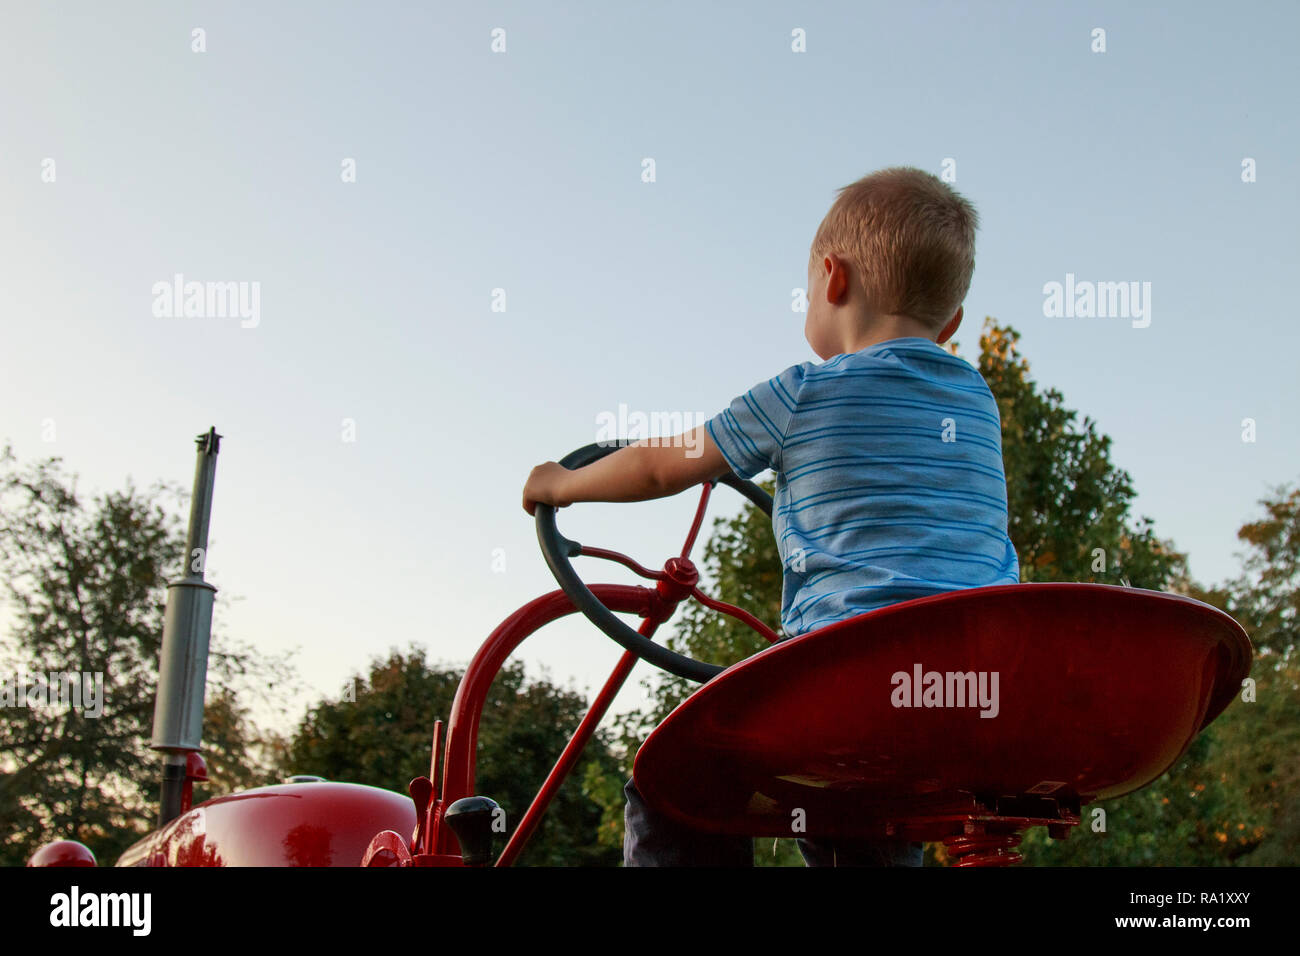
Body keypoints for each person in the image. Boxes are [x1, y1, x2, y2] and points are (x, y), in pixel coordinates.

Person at [522, 166, 1020, 866]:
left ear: (832, 278)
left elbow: (665, 463)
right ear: (952, 326)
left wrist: (564, 483)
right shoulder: (976, 406)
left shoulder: (800, 394)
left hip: (849, 686)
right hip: (975, 700)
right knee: (873, 807)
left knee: (672, 783)